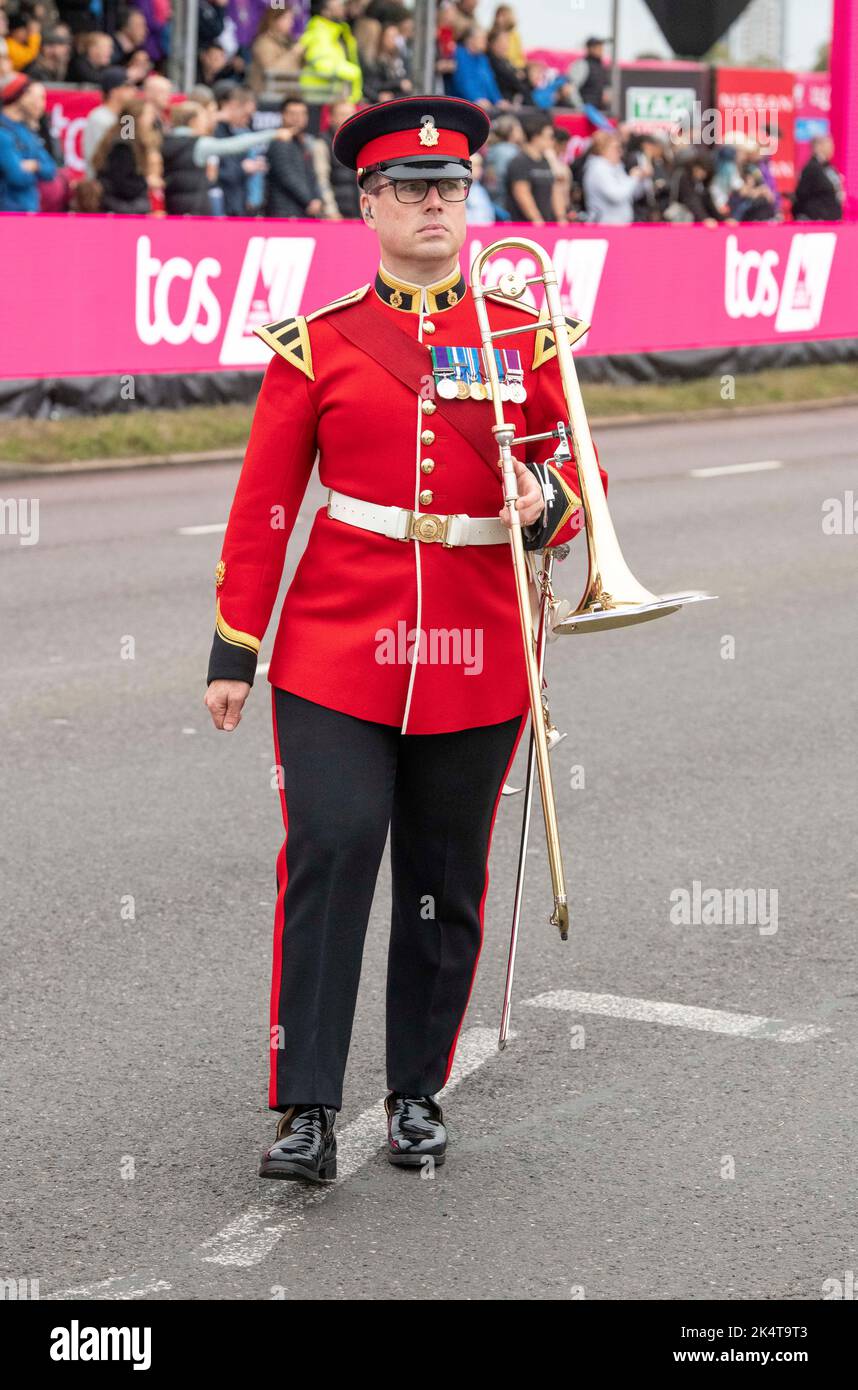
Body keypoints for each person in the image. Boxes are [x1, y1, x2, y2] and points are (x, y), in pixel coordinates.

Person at [203, 94, 607, 1182]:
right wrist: (234, 648)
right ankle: (306, 1107)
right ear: (369, 205)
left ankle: (416, 1090)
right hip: (338, 640)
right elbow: (266, 505)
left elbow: (585, 486)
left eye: (453, 187)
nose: (437, 203)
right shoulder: (319, 342)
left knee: (444, 872)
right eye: (413, 190)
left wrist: (546, 500)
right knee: (332, 850)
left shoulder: (525, 334)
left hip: (479, 646)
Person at [162, 97, 287, 216]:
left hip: (171, 206)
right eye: (203, 118)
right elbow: (235, 144)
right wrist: (273, 134)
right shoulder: (198, 144)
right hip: (195, 208)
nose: (207, 122)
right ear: (193, 121)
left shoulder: (165, 141)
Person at [91, 93, 159, 213]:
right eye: (148, 114)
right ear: (137, 117)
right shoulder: (123, 146)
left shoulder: (129, 141)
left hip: (121, 201)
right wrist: (146, 183)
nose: (152, 119)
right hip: (118, 204)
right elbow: (120, 183)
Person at [0, 72, 56, 210]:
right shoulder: (3, 133)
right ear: (20, 96)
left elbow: (50, 169)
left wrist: (35, 166)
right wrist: (38, 171)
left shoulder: (26, 130)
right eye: (31, 94)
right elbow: (17, 177)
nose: (40, 104)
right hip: (9, 213)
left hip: (30, 211)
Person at [264, 94, 323, 218]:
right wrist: (309, 200)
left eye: (302, 113)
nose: (298, 118)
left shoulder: (302, 143)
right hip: (284, 212)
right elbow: (286, 176)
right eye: (293, 113)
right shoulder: (279, 141)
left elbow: (311, 175)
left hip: (302, 211)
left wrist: (317, 198)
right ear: (283, 115)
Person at [506, 109, 566, 224]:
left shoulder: (546, 161)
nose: (552, 141)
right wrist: (536, 220)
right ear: (536, 137)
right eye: (549, 136)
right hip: (525, 226)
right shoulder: (519, 162)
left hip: (546, 223)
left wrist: (561, 218)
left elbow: (555, 190)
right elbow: (522, 193)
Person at [213, 82, 263, 216]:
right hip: (219, 207)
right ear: (234, 106)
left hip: (235, 205)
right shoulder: (215, 132)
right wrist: (243, 168)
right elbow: (214, 174)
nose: (248, 120)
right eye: (246, 115)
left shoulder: (234, 132)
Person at [300, 0, 363, 104]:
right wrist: (353, 72)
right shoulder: (319, 32)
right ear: (325, 12)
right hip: (319, 96)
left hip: (337, 95)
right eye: (338, 6)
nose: (342, 8)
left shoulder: (340, 30)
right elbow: (321, 65)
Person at [582, 129, 646, 224]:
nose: (620, 152)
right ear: (602, 149)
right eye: (616, 148)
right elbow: (616, 195)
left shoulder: (616, 167)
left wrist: (640, 178)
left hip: (620, 226)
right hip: (604, 227)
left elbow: (632, 194)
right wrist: (633, 177)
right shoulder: (598, 169)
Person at [82, 66, 135, 178]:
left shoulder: (127, 118)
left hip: (124, 182)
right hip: (103, 183)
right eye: (127, 86)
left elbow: (130, 154)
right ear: (114, 91)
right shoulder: (98, 118)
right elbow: (96, 157)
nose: (133, 91)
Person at [314, 98, 359, 218]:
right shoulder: (322, 143)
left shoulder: (359, 142)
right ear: (331, 118)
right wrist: (330, 209)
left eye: (351, 114)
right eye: (343, 114)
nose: (348, 118)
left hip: (358, 212)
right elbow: (321, 179)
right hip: (335, 215)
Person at [249, 6, 303, 96]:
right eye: (287, 18)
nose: (291, 22)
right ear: (274, 20)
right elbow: (271, 70)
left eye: (292, 18)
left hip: (287, 96)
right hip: (267, 98)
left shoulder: (288, 42)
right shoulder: (264, 43)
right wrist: (293, 53)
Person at [448, 25, 501, 108]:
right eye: (482, 39)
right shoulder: (459, 54)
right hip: (464, 105)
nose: (486, 42)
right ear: (470, 40)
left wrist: (498, 100)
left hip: (485, 105)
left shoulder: (483, 59)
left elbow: (490, 83)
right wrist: (476, 98)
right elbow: (463, 82)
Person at [793, 135, 842, 221]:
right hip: (817, 219)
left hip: (832, 218)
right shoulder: (812, 168)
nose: (832, 148)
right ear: (818, 146)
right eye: (829, 145)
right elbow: (801, 194)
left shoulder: (829, 167)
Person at [569, 35, 611, 113]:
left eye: (601, 47)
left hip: (598, 113)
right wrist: (581, 108)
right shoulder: (582, 64)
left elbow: (606, 88)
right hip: (586, 114)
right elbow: (571, 89)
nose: (601, 50)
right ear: (590, 48)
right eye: (598, 47)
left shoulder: (601, 66)